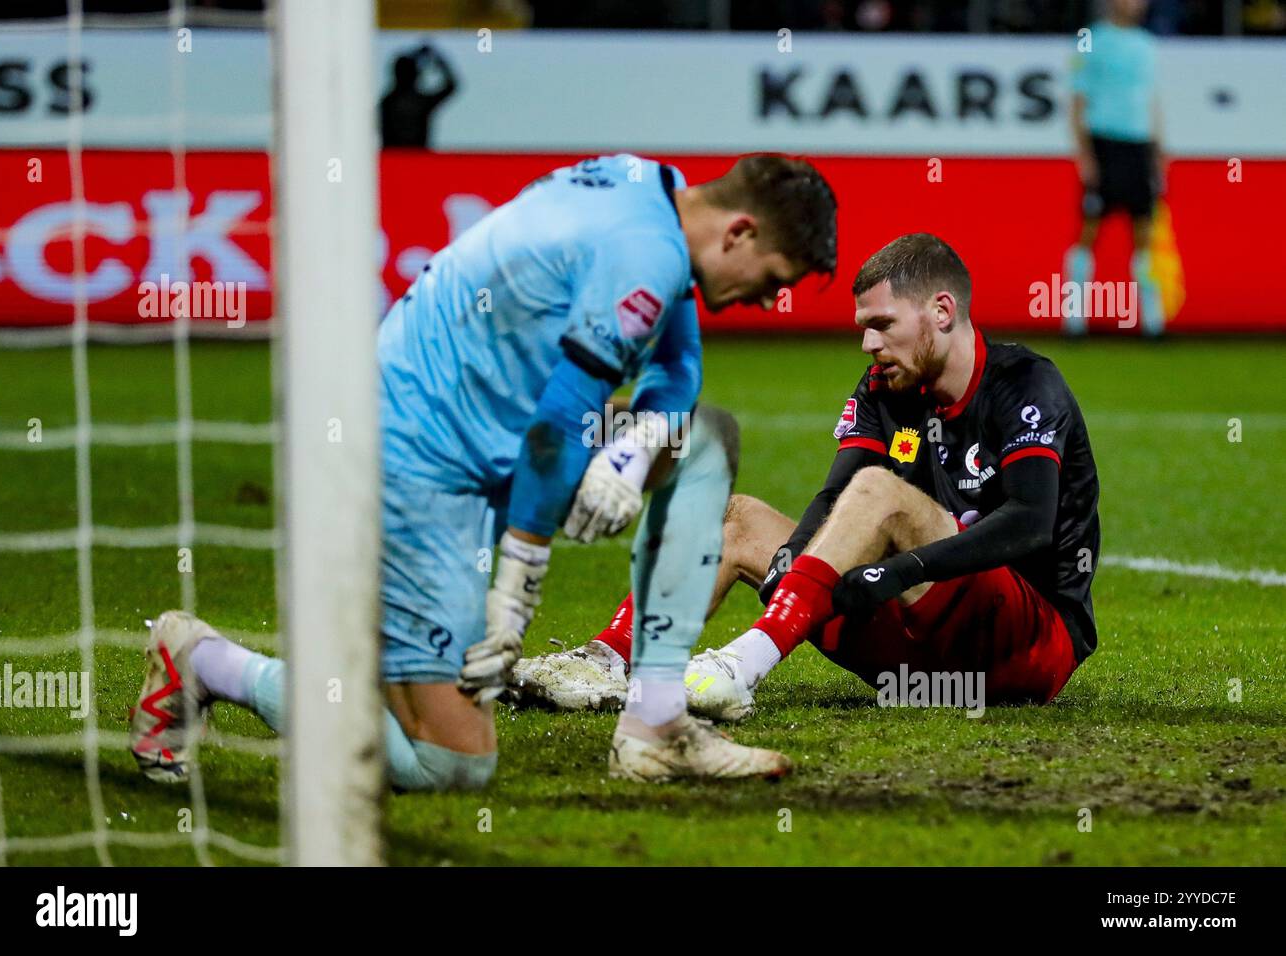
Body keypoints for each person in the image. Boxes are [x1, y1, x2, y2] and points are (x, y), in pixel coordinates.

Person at [129, 153, 838, 789]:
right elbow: (562, 419)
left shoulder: (656, 194)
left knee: (701, 441)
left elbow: (678, 365)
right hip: (413, 462)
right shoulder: (645, 246)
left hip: (490, 433)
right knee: (452, 763)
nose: (759, 299)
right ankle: (205, 661)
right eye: (771, 281)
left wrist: (634, 446)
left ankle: (655, 724)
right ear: (739, 233)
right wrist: (518, 585)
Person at [515, 233, 1100, 724]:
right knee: (739, 517)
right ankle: (604, 661)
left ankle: (741, 665)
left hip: (1027, 647)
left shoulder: (1025, 384)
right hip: (918, 655)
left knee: (877, 489)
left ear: (942, 312)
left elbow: (1031, 523)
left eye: (882, 324)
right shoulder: (884, 389)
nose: (869, 343)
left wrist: (901, 569)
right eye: (863, 327)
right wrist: (793, 552)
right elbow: (832, 493)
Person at [1063, 0, 1166, 337]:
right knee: (1089, 231)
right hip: (1103, 143)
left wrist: (1158, 151)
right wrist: (1085, 154)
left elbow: (1151, 100)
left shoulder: (1147, 44)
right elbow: (1077, 99)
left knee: (1144, 234)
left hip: (1138, 146)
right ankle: (1074, 320)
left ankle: (1153, 324)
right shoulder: (1089, 38)